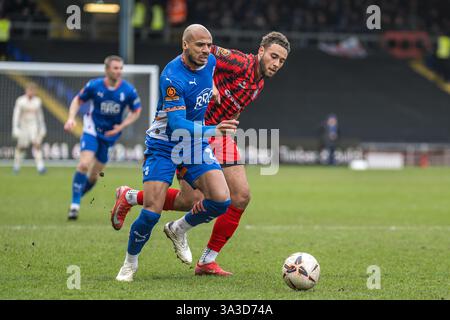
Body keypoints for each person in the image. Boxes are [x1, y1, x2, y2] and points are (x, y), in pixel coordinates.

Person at [112, 31, 290, 276]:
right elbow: (210, 52)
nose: (276, 64)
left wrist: (223, 127)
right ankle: (135, 206)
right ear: (261, 51)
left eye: (281, 61)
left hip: (215, 133)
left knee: (234, 197)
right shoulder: (237, 62)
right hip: (196, 130)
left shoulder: (259, 83)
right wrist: (212, 84)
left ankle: (205, 258)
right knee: (191, 201)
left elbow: (232, 104)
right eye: (273, 57)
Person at [115, 24, 239, 282]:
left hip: (192, 145)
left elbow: (207, 77)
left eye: (208, 44)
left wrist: (213, 89)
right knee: (151, 212)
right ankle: (130, 263)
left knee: (221, 200)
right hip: (164, 145)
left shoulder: (211, 61)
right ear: (185, 45)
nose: (206, 50)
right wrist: (212, 129)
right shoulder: (172, 77)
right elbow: (177, 125)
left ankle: (178, 229)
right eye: (199, 45)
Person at [64, 55, 142, 220]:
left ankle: (77, 195)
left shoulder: (128, 90)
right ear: (107, 70)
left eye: (121, 68)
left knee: (94, 175)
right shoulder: (94, 85)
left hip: (110, 135)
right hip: (92, 129)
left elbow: (136, 111)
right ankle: (74, 205)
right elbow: (77, 100)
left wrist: (122, 126)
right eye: (115, 68)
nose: (119, 71)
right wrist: (71, 117)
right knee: (84, 164)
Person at [12, 82, 47, 174]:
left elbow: (40, 116)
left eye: (33, 90)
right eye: (29, 90)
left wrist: (42, 127)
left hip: (34, 126)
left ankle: (40, 167)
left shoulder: (37, 101)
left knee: (37, 145)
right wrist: (15, 127)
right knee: (21, 147)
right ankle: (16, 166)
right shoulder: (20, 101)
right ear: (26, 90)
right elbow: (16, 115)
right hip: (24, 126)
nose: (31, 92)